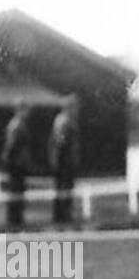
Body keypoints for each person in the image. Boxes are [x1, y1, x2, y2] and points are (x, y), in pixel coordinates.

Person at [48, 95, 80, 224]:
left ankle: (63, 215)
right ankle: (62, 217)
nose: (77, 110)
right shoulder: (63, 122)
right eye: (75, 107)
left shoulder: (64, 121)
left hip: (66, 161)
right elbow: (60, 142)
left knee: (65, 189)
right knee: (64, 189)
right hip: (64, 163)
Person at [1, 103, 33, 228]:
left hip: (18, 165)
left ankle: (16, 219)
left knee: (18, 193)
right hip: (16, 166)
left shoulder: (19, 125)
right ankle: (14, 221)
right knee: (15, 193)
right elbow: (11, 147)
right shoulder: (16, 126)